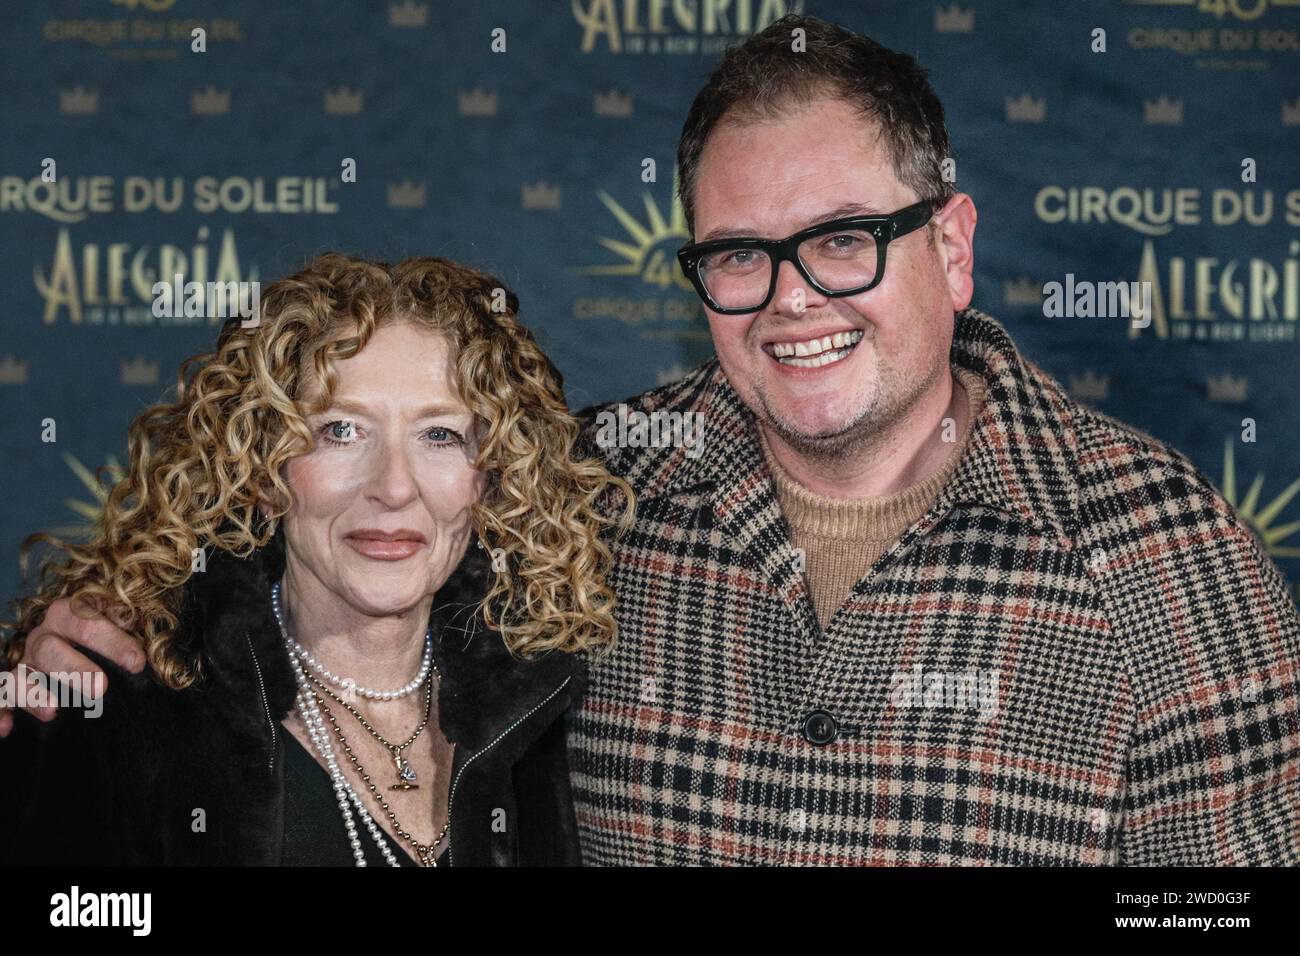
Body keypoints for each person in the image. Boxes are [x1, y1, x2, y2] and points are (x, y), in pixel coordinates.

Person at [8, 15, 1300, 867]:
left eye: (845, 239)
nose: (794, 297)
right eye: (740, 254)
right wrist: (91, 639)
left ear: (951, 247)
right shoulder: (584, 488)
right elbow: (325, 539)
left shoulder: (1169, 565)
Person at [0, 252, 631, 866]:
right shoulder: (124, 702)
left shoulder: (537, 705)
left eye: (440, 434)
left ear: (491, 478)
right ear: (264, 464)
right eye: (340, 431)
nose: (393, 486)